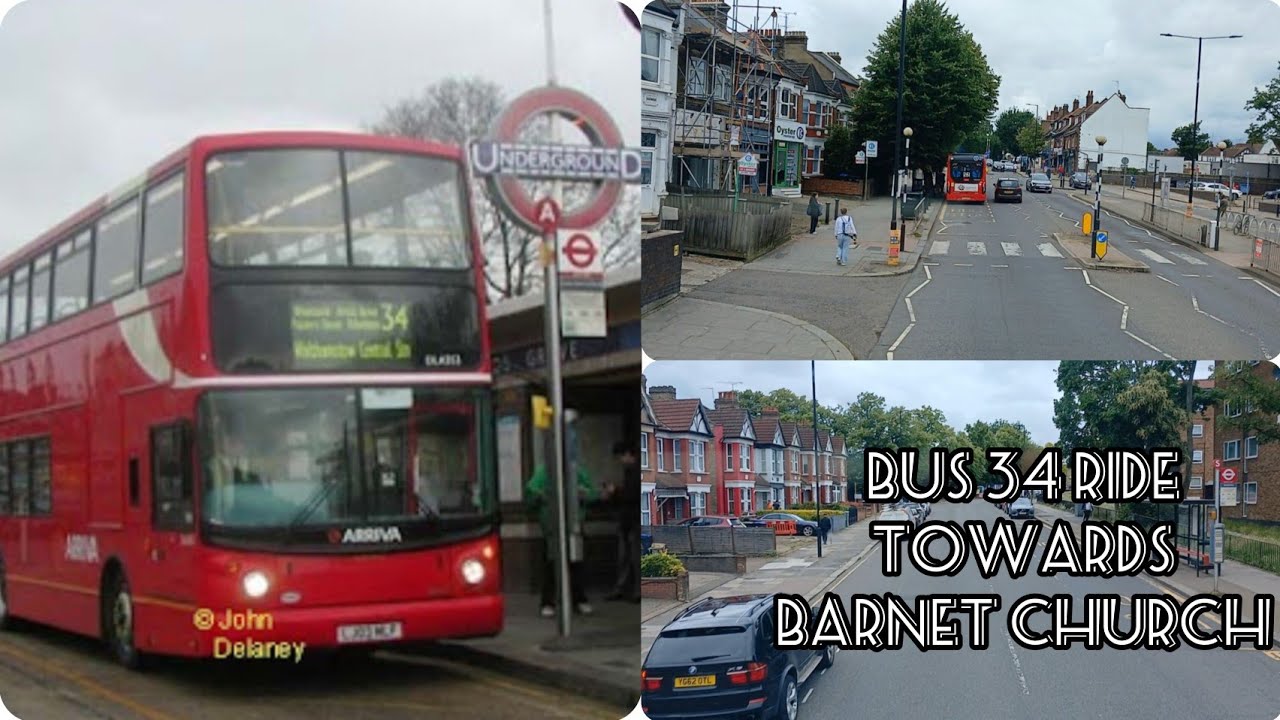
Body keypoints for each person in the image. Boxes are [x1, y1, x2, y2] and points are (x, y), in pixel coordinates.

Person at [526, 460, 597, 618]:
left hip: (573, 525)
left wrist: (584, 493)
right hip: (553, 527)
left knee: (576, 564)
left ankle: (578, 600)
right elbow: (530, 493)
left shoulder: (577, 471)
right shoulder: (544, 472)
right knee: (551, 566)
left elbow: (593, 494)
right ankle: (548, 602)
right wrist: (540, 495)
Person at [606, 441, 641, 603]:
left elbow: (631, 496)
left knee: (631, 557)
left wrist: (616, 492)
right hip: (628, 521)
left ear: (628, 454)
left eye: (621, 456)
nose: (620, 460)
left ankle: (633, 591)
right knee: (627, 557)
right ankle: (627, 590)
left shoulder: (633, 472)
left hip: (632, 521)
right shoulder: (630, 472)